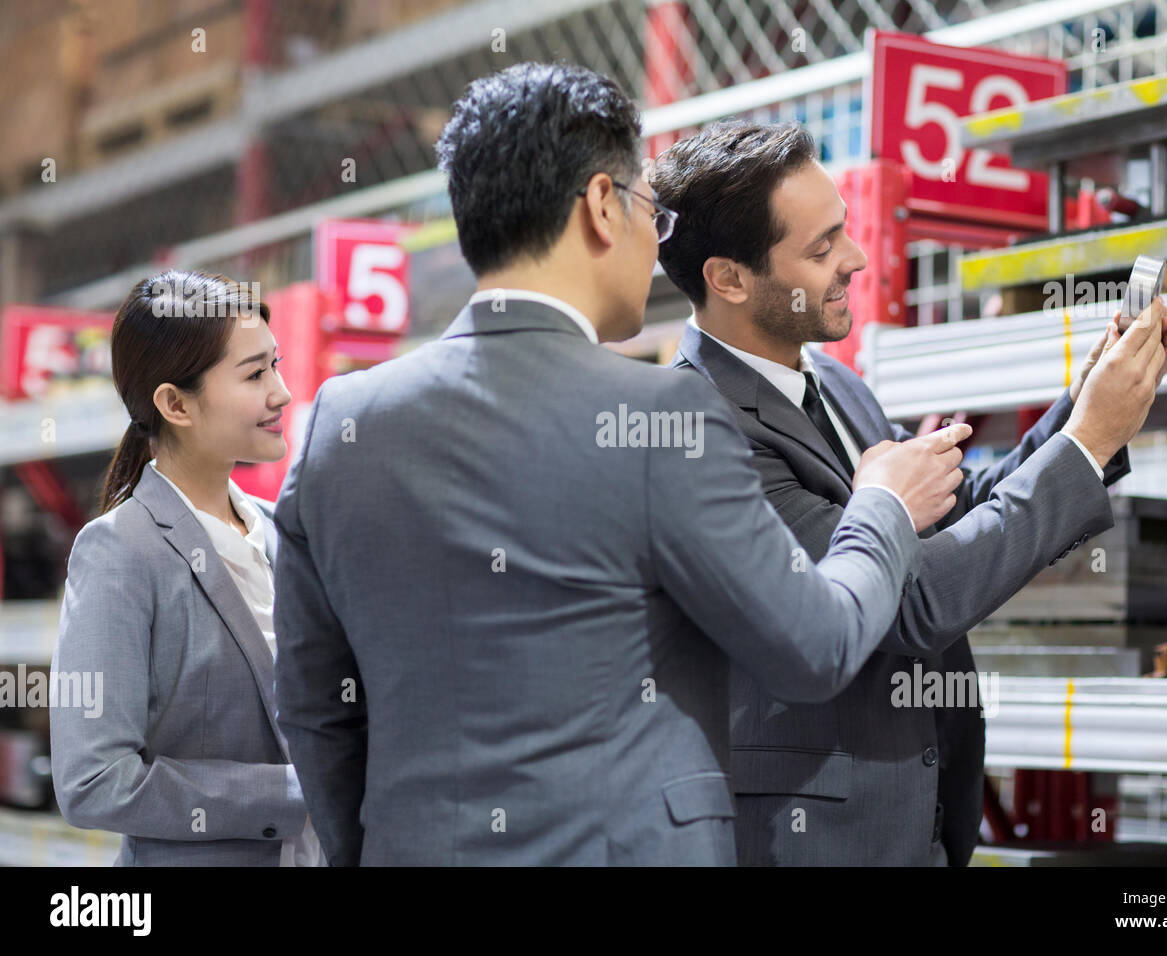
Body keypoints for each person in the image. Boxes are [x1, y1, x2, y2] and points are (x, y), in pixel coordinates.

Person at [271, 62, 972, 866]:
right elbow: (816, 647)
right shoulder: (660, 415)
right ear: (602, 206)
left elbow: (316, 705)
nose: (653, 239)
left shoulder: (343, 422)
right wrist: (879, 501)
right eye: (647, 207)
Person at [651, 121, 1167, 865]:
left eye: (845, 233)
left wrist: (1083, 413)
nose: (856, 260)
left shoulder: (832, 383)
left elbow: (950, 507)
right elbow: (908, 601)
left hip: (918, 826)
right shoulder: (700, 429)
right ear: (729, 278)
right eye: (821, 248)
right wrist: (1086, 444)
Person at [50, 269, 322, 866]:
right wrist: (295, 795)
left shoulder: (285, 533)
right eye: (255, 374)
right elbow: (93, 780)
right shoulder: (120, 552)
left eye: (275, 364)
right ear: (175, 403)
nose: (281, 391)